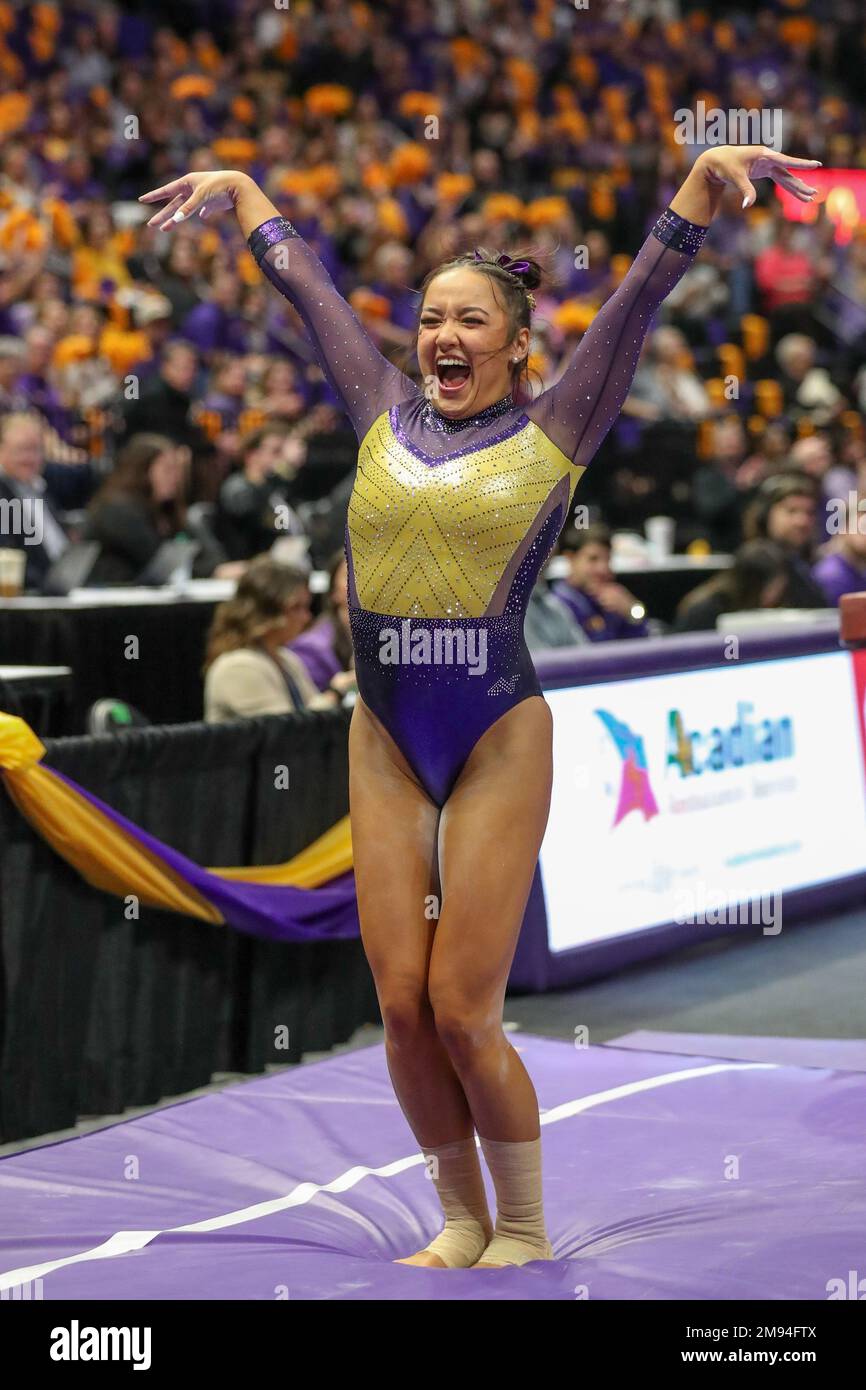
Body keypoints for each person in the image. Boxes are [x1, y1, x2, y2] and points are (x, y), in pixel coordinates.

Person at [142, 142, 820, 1271]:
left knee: (463, 1005)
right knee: (399, 1004)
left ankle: (522, 1223)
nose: (441, 339)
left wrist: (701, 185)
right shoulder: (375, 408)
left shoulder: (559, 427)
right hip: (385, 730)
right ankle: (458, 1216)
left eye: (466, 322)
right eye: (427, 322)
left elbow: (639, 296)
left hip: (498, 725)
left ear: (514, 344)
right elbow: (305, 286)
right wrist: (246, 195)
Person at [203, 556, 341, 721]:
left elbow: (311, 711)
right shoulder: (237, 667)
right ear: (267, 613)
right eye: (296, 608)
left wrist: (340, 690)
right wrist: (336, 692)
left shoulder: (287, 659)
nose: (306, 617)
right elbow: (287, 730)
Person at [84, 432, 228, 584]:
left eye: (178, 470)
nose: (175, 478)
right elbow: (158, 562)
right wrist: (213, 571)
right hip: (112, 594)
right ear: (143, 472)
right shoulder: (117, 510)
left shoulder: (169, 511)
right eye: (168, 470)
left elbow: (209, 554)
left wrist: (216, 567)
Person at [742, 472, 830, 608]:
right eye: (791, 511)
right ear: (765, 515)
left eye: (809, 512)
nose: (802, 521)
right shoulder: (755, 559)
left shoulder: (802, 563)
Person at [551, 524, 650, 641]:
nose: (603, 569)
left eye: (607, 559)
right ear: (570, 558)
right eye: (593, 559)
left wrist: (630, 610)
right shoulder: (557, 604)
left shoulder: (613, 598)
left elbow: (642, 642)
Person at [673, 540, 791, 632]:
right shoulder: (705, 612)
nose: (777, 594)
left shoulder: (757, 608)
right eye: (775, 587)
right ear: (754, 585)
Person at [288, 548, 356, 693]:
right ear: (333, 592)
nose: (363, 584)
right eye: (352, 575)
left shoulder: (393, 635)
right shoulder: (310, 648)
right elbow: (312, 711)